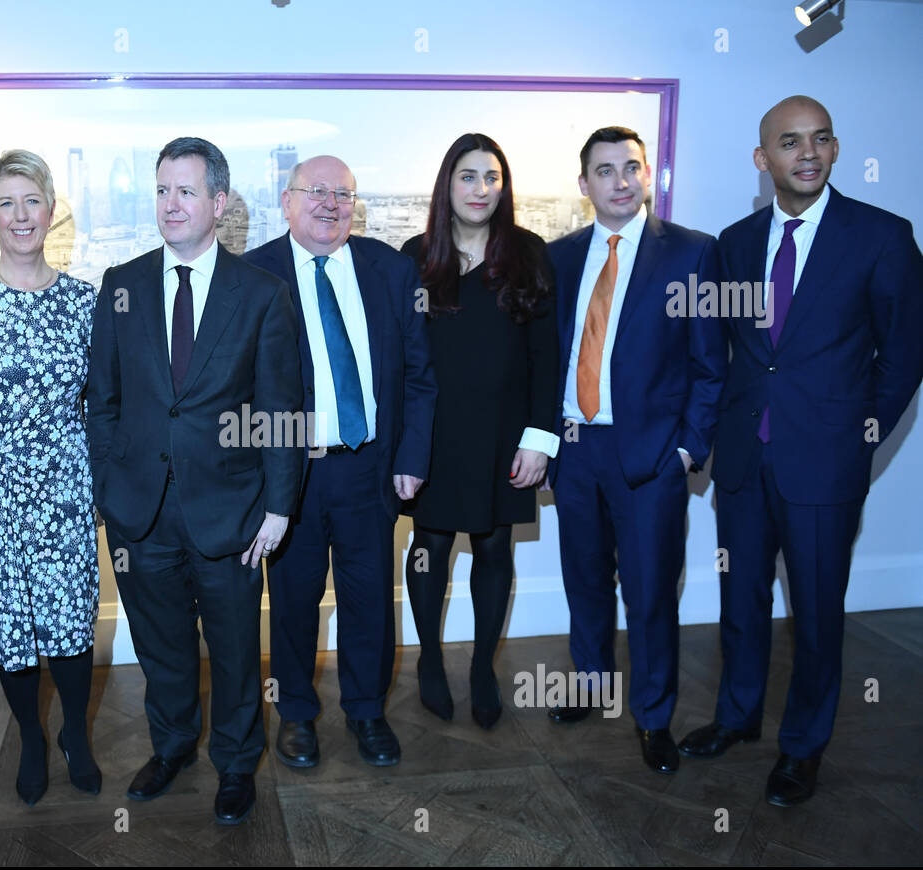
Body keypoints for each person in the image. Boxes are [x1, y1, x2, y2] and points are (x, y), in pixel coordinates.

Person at [680, 96, 923, 805]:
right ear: (764, 159)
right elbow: (724, 352)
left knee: (817, 613)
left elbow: (903, 359)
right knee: (741, 599)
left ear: (836, 150)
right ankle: (737, 717)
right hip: (745, 462)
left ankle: (803, 747)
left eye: (819, 139)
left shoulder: (883, 237)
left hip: (827, 465)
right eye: (789, 142)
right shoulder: (734, 241)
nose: (806, 153)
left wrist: (856, 438)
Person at [87, 137, 301, 825]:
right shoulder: (121, 285)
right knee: (162, 646)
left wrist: (277, 508)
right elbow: (104, 401)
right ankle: (173, 745)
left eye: (185, 191)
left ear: (218, 202)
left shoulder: (263, 295)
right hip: (140, 513)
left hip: (231, 513)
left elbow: (280, 410)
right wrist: (108, 491)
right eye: (161, 191)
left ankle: (236, 764)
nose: (170, 204)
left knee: (237, 652)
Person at [245, 155, 437, 770]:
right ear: (287, 200)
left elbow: (419, 375)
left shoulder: (392, 269)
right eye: (315, 191)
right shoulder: (253, 275)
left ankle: (365, 709)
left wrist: (410, 457)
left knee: (369, 597)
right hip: (292, 473)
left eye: (342, 194)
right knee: (294, 600)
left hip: (369, 468)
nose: (329, 203)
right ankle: (297, 714)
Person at [546, 128, 727, 774]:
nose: (620, 180)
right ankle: (592, 685)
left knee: (650, 594)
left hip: (651, 459)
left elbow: (712, 367)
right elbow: (546, 358)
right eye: (605, 170)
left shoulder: (692, 253)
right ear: (584, 184)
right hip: (575, 452)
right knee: (585, 582)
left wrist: (686, 451)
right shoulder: (559, 256)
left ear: (648, 175)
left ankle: (653, 717)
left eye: (631, 167)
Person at [0, 149, 101, 805]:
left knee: (70, 621)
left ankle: (77, 739)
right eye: (6, 202)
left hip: (65, 485)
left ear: (51, 208)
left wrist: (60, 457)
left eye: (32, 200)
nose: (21, 214)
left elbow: (99, 399)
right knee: (9, 624)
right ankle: (32, 737)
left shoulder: (85, 302)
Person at [399, 133, 558, 728]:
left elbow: (548, 356)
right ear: (448, 185)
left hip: (506, 437)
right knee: (430, 548)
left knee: (494, 546)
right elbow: (402, 362)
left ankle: (483, 666)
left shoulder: (529, 254)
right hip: (434, 436)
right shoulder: (415, 257)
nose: (481, 189)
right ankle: (431, 660)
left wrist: (540, 439)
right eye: (468, 177)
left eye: (492, 178)